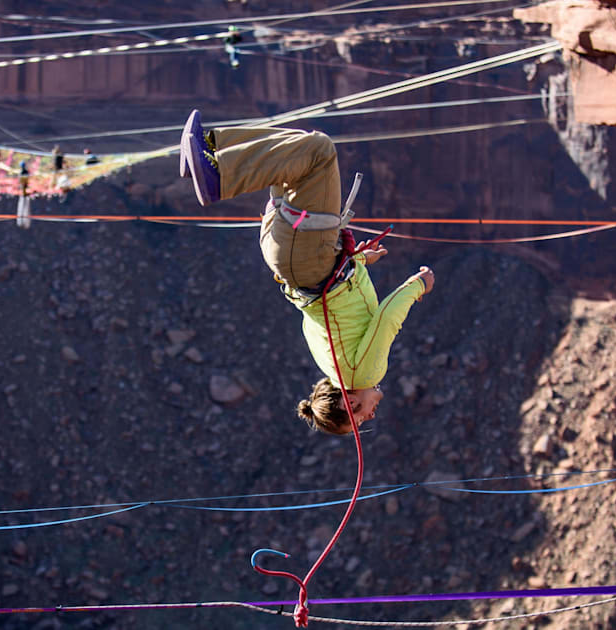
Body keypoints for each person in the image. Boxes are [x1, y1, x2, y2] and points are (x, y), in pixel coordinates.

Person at [180, 110, 436, 436]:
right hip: (289, 257)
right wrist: (357, 263)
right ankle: (210, 151)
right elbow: (333, 306)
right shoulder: (331, 366)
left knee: (319, 153)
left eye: (358, 421)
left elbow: (387, 319)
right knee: (296, 155)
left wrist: (418, 286)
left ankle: (217, 178)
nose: (369, 418)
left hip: (307, 255)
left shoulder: (364, 376)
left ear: (348, 405)